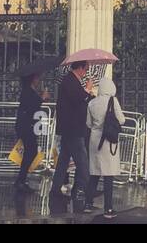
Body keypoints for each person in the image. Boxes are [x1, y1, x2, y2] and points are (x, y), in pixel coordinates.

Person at [52, 61, 95, 210]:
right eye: (86, 68)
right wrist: (88, 90)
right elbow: (78, 102)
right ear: (80, 68)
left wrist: (86, 94)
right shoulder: (70, 80)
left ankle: (55, 189)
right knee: (83, 164)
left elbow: (78, 102)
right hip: (73, 129)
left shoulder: (71, 81)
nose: (86, 72)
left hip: (70, 128)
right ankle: (81, 192)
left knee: (63, 161)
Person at [85, 75, 126, 218]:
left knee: (94, 172)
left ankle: (88, 204)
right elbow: (121, 120)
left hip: (94, 140)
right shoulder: (112, 101)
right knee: (108, 174)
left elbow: (88, 124)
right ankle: (108, 209)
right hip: (108, 140)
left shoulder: (92, 103)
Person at [14, 73, 48, 191]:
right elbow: (31, 107)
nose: (39, 80)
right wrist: (42, 98)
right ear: (32, 79)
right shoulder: (27, 91)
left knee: (31, 151)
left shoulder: (30, 91)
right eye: (37, 78)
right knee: (31, 150)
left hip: (28, 126)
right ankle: (21, 180)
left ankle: (21, 179)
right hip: (26, 127)